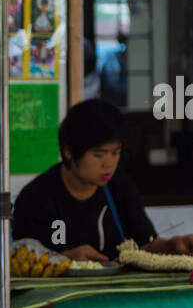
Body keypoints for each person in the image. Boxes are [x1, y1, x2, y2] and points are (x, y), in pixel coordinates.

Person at [13, 98, 193, 261]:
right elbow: (23, 261)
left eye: (115, 153)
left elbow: (145, 245)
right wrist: (63, 259)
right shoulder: (37, 198)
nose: (109, 164)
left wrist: (174, 246)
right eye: (98, 155)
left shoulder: (119, 186)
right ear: (68, 151)